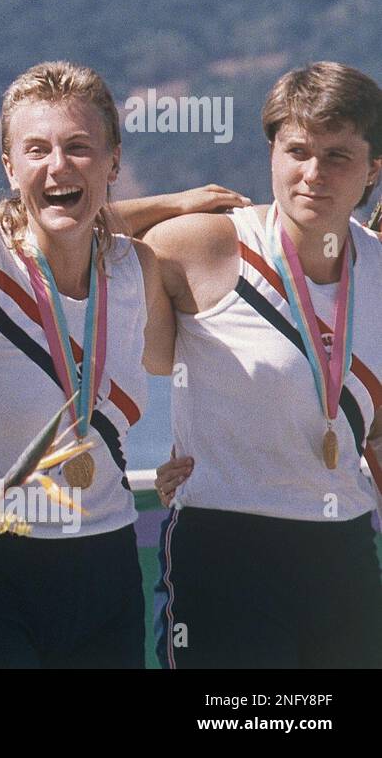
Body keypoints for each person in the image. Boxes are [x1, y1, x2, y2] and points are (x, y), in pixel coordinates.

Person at [0, 61, 174, 668]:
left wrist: (202, 459)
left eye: (79, 148)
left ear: (113, 162)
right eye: (36, 150)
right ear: (10, 169)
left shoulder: (136, 270)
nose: (57, 166)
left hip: (107, 560)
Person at [146, 61, 382, 668]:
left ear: (373, 170)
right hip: (222, 546)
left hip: (343, 551)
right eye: (296, 149)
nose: (312, 174)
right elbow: (66, 242)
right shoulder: (201, 245)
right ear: (272, 152)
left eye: (338, 156)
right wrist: (168, 201)